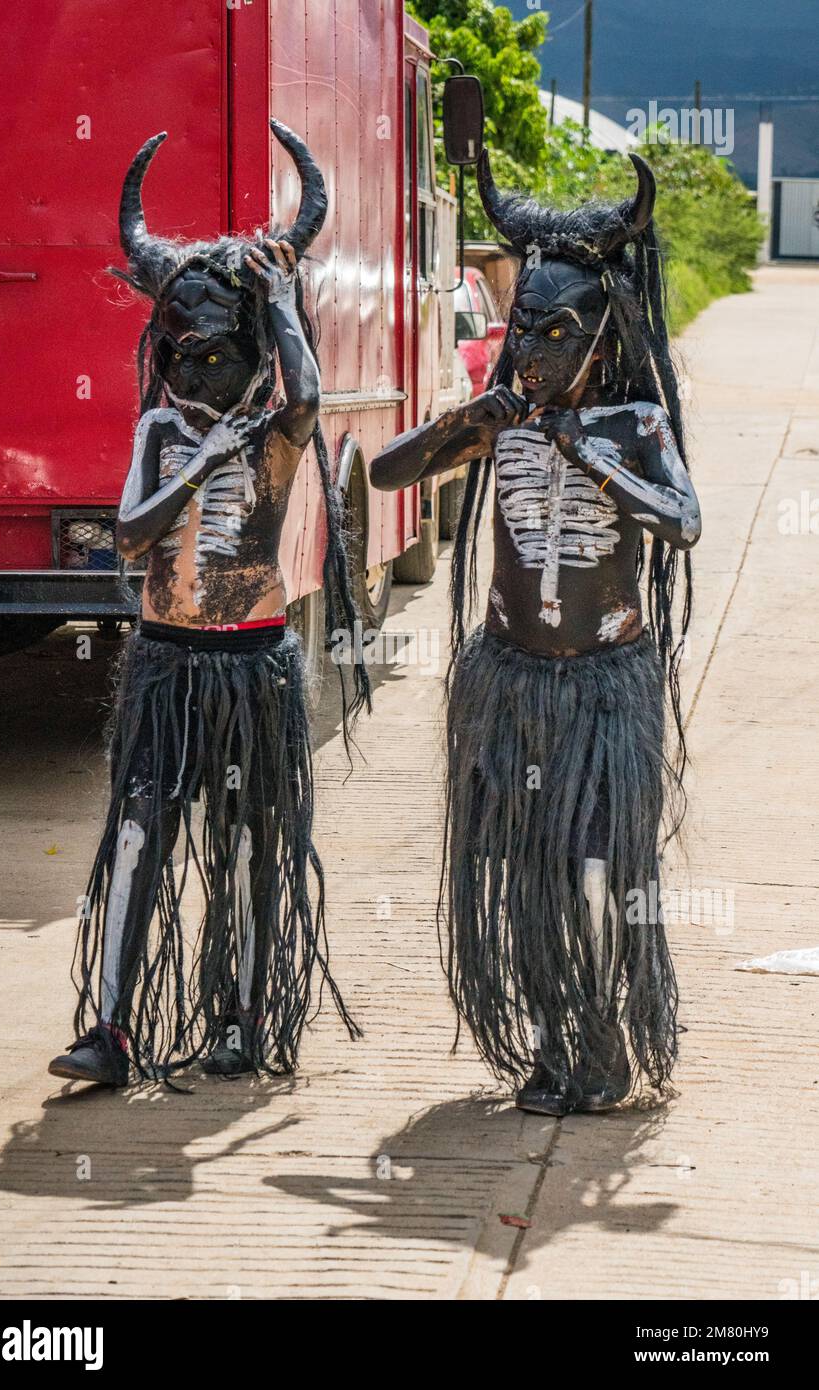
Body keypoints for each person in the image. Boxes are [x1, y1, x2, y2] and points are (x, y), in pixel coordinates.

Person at [370, 152, 700, 1115]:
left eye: (560, 337)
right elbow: (391, 475)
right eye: (527, 335)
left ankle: (603, 1048)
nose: (539, 358)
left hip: (604, 682)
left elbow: (679, 520)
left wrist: (586, 455)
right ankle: (555, 1045)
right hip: (510, 679)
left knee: (595, 866)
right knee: (523, 872)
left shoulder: (634, 420)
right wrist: (473, 418)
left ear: (604, 339)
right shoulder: (499, 421)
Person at [49, 121, 368, 1088]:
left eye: (215, 361)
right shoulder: (161, 427)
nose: (194, 380)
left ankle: (238, 1020)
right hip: (163, 657)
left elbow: (309, 400)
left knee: (242, 838)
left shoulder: (278, 428)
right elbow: (134, 535)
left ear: (252, 358)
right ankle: (110, 1029)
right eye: (179, 360)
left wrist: (278, 304)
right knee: (140, 828)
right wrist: (197, 465)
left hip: (248, 663)